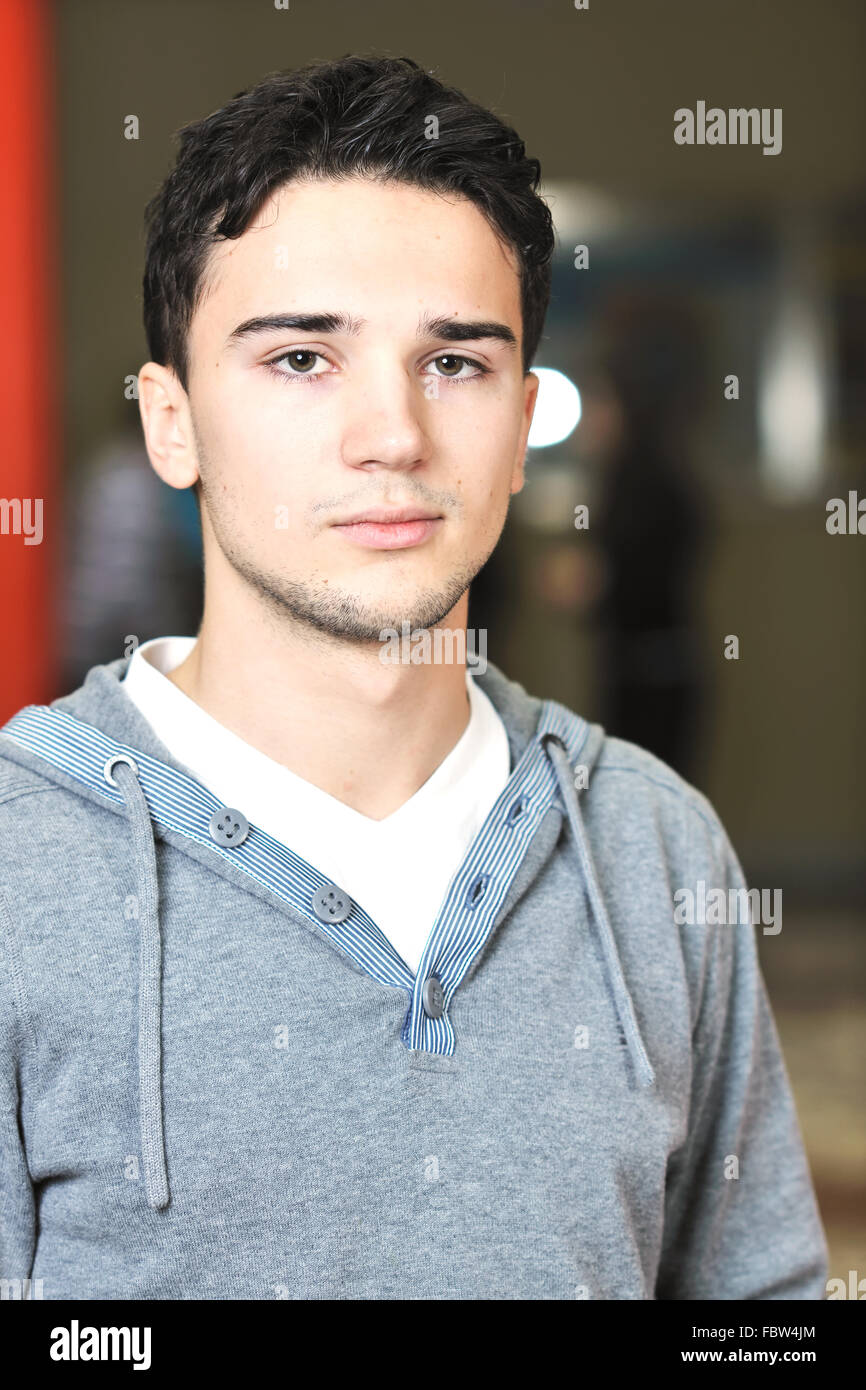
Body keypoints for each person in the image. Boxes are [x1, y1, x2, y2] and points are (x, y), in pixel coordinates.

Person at [0, 54, 827, 1300]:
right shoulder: (23, 861)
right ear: (169, 422)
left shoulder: (653, 847)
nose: (391, 433)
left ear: (518, 425)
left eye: (455, 362)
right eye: (299, 359)